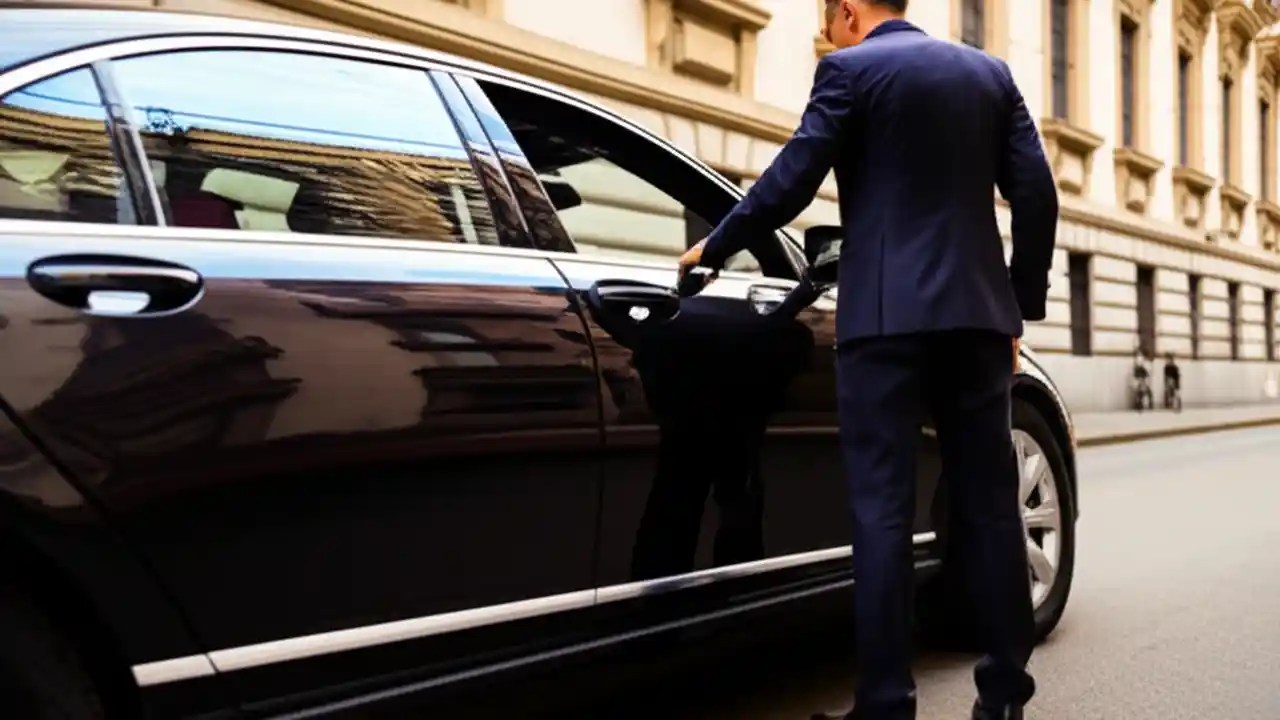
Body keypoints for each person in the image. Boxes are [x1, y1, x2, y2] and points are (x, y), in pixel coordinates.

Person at [676, 1, 1058, 719]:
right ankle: (1004, 697)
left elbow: (791, 177)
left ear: (849, 10)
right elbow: (1036, 192)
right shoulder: (991, 75)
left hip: (884, 325)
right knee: (992, 510)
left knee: (882, 515)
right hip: (978, 323)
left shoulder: (847, 72)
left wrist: (717, 244)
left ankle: (886, 705)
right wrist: (1018, 303)